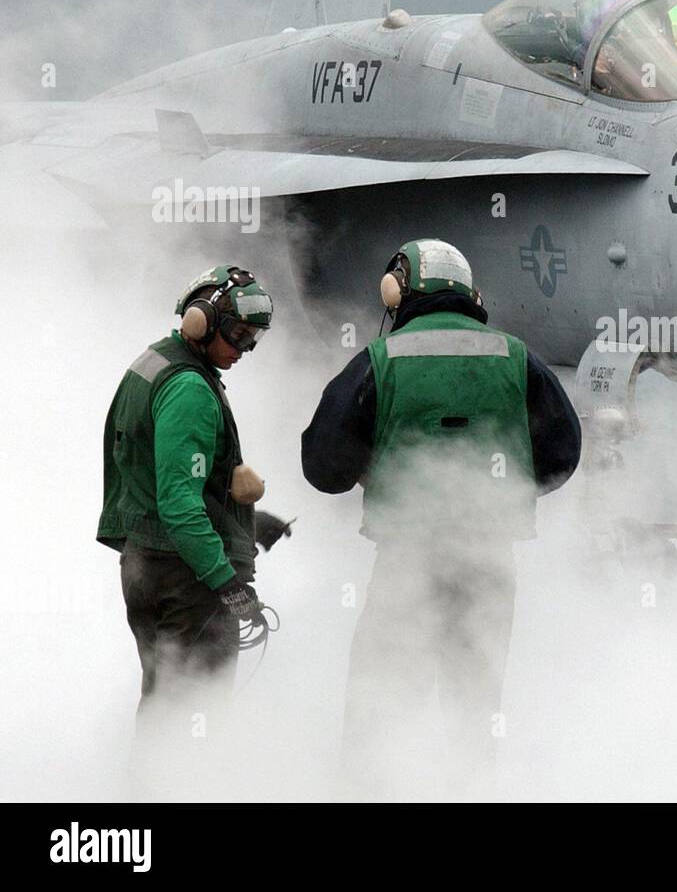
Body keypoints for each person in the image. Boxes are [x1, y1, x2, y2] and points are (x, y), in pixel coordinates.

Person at [301, 238, 581, 798]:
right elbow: (563, 453)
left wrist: (376, 469)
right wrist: (496, 494)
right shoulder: (517, 358)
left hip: (407, 562)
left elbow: (323, 466)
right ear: (470, 293)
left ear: (397, 290)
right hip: (489, 566)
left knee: (379, 708)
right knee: (473, 710)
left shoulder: (381, 359)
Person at [97, 266, 290, 728]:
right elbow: (180, 505)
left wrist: (243, 520)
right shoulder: (190, 389)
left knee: (166, 703)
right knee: (190, 720)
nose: (245, 349)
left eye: (253, 338)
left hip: (148, 565)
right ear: (200, 320)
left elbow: (153, 478)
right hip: (187, 581)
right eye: (238, 334)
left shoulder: (157, 362)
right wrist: (228, 584)